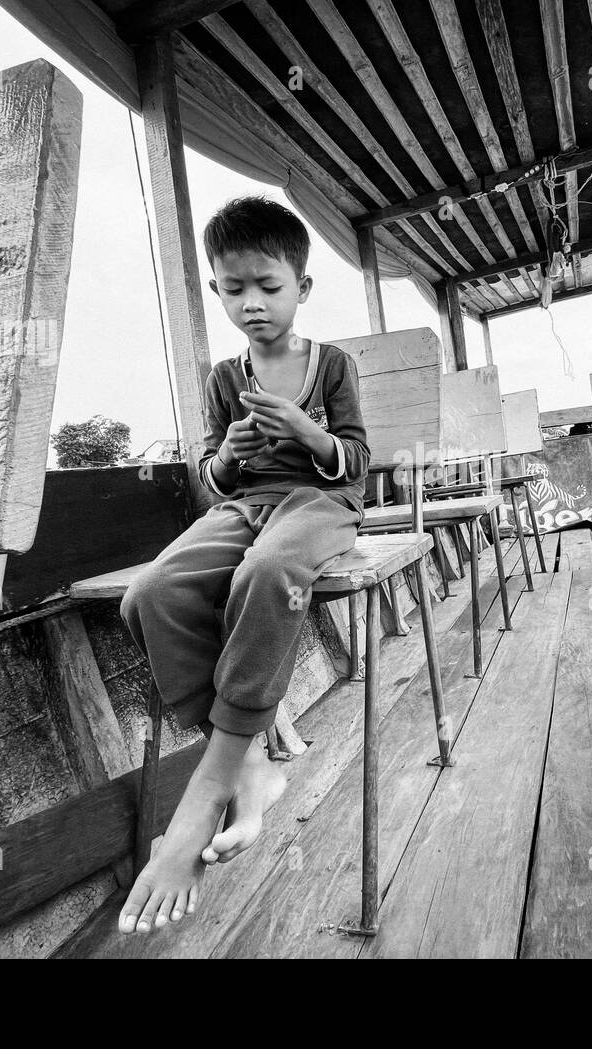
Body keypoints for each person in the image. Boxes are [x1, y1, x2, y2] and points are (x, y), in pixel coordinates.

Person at [117, 196, 369, 934]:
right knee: (149, 591)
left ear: (302, 288)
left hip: (319, 504)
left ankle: (208, 786)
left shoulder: (332, 366)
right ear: (218, 291)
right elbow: (213, 480)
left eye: (268, 285)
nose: (252, 304)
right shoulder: (225, 378)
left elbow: (356, 458)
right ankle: (250, 761)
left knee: (267, 572)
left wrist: (307, 432)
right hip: (246, 505)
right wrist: (230, 455)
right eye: (234, 289)